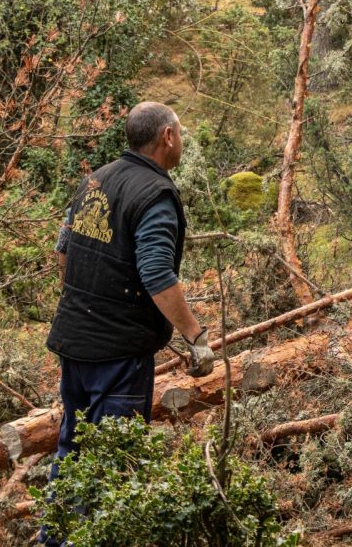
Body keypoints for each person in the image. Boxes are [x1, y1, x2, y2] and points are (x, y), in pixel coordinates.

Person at [40, 102, 214, 543]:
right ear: (167, 137)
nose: (182, 138)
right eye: (180, 130)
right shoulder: (154, 194)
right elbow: (157, 274)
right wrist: (196, 336)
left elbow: (63, 250)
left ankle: (55, 538)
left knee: (73, 450)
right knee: (115, 465)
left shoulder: (97, 178)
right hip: (117, 354)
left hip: (75, 343)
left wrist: (87, 302)